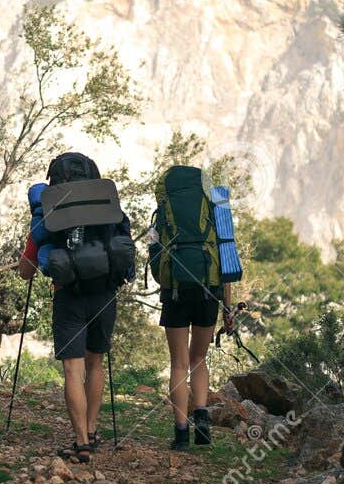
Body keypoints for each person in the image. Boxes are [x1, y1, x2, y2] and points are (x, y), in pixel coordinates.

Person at [17, 153, 132, 463]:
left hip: (69, 295)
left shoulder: (49, 212)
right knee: (95, 365)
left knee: (73, 369)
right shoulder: (107, 208)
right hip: (104, 293)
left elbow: (26, 271)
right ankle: (92, 432)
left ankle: (80, 442)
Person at [160, 281, 232, 449]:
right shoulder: (218, 251)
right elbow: (228, 274)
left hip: (175, 295)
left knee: (179, 364)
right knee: (199, 358)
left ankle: (181, 434)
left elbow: (158, 272)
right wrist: (227, 308)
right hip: (209, 297)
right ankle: (201, 419)